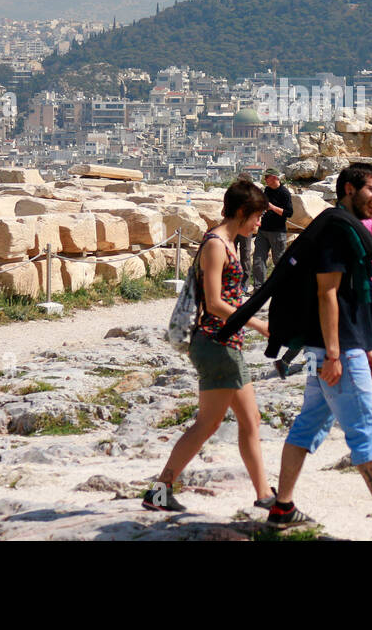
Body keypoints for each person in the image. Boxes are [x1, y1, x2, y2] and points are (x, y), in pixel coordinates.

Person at [268, 162, 372, 538]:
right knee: (364, 427)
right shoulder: (337, 232)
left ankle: (282, 507)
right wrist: (333, 353)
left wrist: (370, 346)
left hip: (340, 344)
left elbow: (354, 296)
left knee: (309, 422)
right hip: (336, 348)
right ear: (347, 189)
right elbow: (327, 293)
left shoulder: (348, 228)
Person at [143, 178, 277, 513]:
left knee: (248, 420)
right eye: (257, 217)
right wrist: (259, 323)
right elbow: (215, 302)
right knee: (209, 423)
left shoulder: (229, 241)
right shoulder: (217, 244)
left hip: (225, 342)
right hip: (217, 342)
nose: (260, 223)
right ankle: (160, 491)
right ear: (242, 212)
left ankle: (263, 493)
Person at [253, 169, 293, 290]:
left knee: (279, 261)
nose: (265, 179)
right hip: (263, 230)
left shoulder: (284, 193)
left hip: (277, 231)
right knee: (258, 259)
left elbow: (289, 213)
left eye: (267, 177)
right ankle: (259, 288)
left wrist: (272, 207)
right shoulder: (267, 190)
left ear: (275, 177)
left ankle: (283, 286)